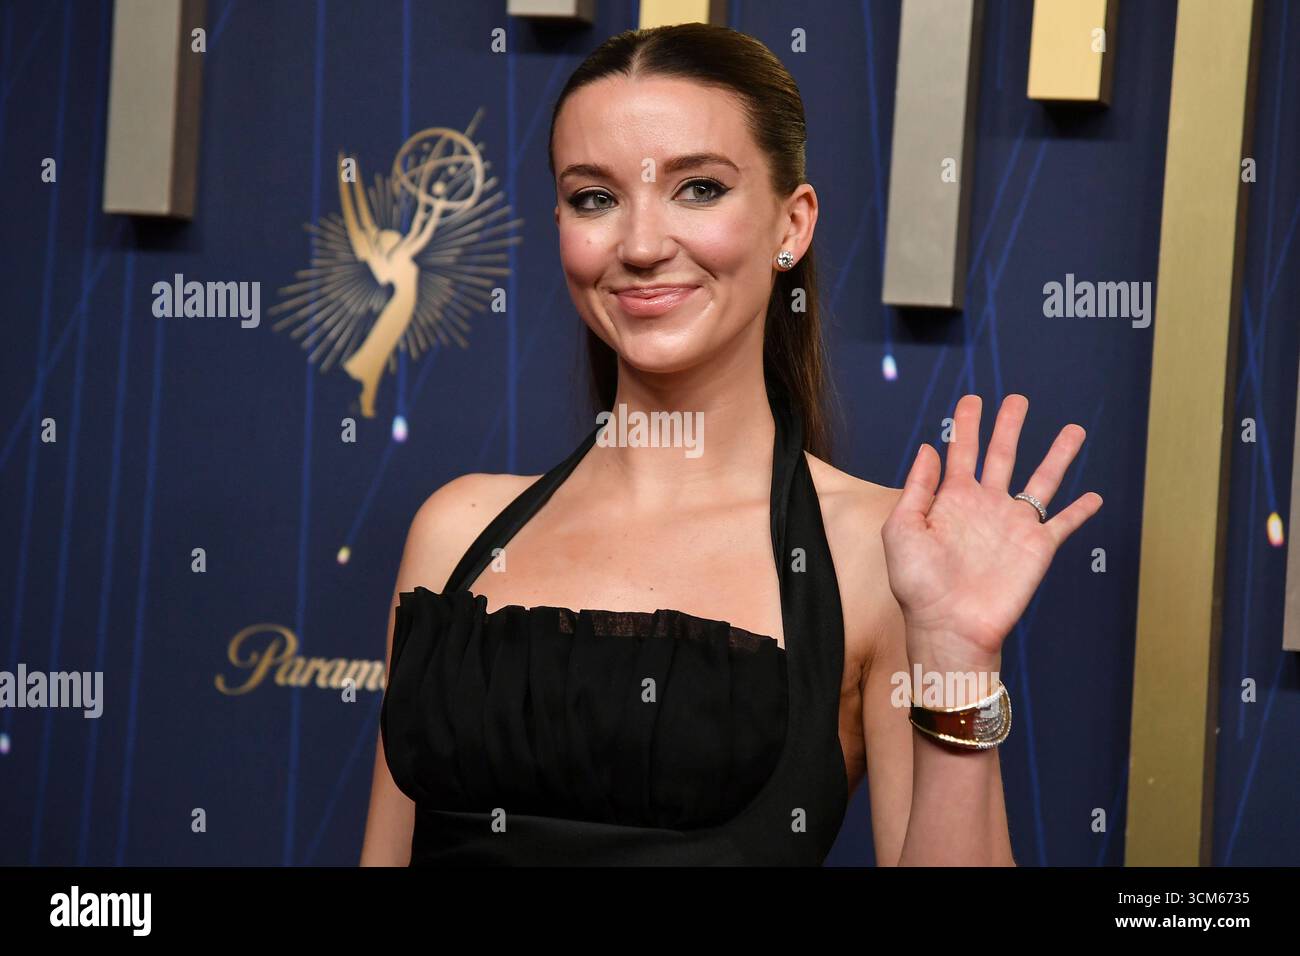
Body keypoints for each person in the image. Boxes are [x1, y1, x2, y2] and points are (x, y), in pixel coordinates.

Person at [359, 22, 1102, 866]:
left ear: (793, 224)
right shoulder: (456, 532)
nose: (640, 246)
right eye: (593, 198)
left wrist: (959, 660)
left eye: (698, 189)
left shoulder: (881, 556)